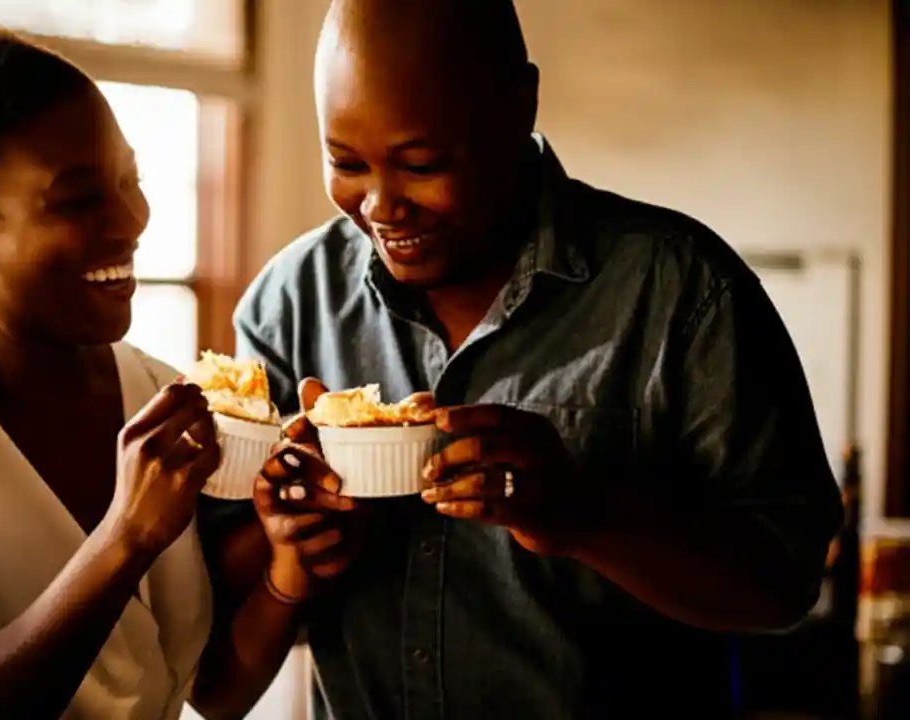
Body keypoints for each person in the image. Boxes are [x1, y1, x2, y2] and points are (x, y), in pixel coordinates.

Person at [214, 0, 846, 717]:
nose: (382, 206)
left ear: (520, 105)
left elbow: (785, 583)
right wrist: (299, 538)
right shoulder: (291, 303)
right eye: (346, 162)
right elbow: (221, 604)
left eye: (422, 164)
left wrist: (585, 514)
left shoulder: (682, 292)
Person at [0, 27, 346, 720]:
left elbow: (214, 690)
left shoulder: (158, 392)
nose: (131, 220)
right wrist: (126, 538)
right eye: (80, 200)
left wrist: (286, 568)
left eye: (129, 180)